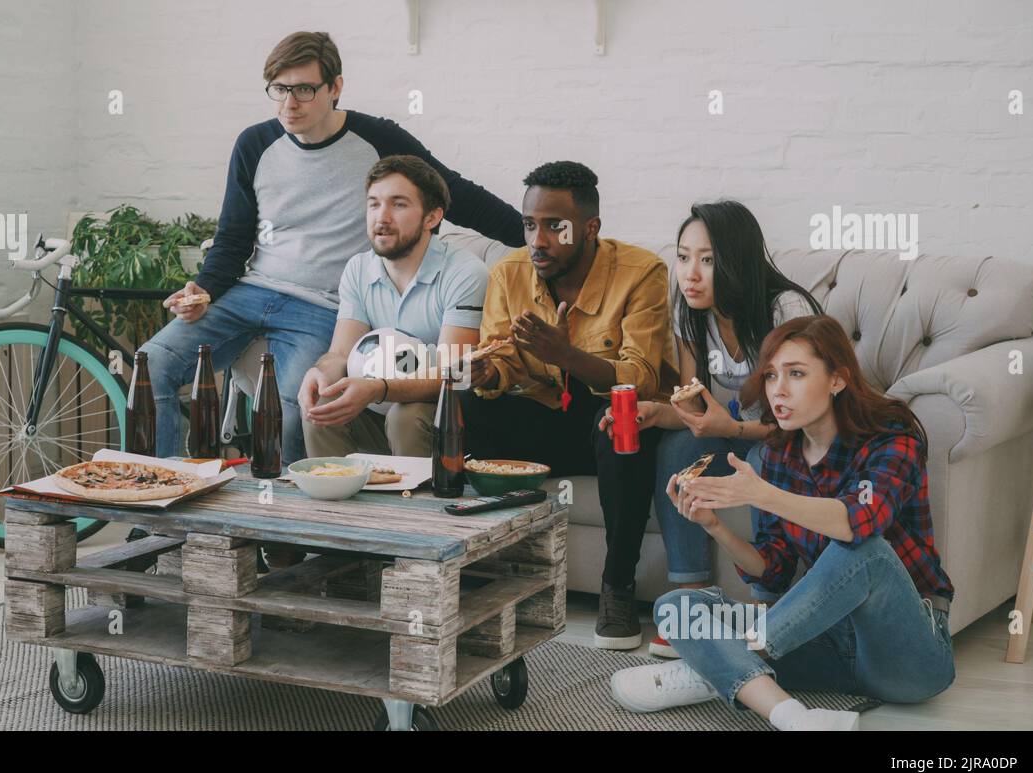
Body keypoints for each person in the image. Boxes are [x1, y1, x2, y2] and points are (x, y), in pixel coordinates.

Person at [139, 31, 524, 466]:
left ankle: (286, 529)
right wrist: (205, 287)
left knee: (294, 410)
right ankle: (158, 507)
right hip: (249, 292)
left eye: (304, 89)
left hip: (322, 305)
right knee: (149, 368)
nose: (290, 103)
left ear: (335, 87)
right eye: (279, 90)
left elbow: (452, 191)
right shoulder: (254, 145)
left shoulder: (376, 138)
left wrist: (533, 236)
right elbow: (233, 237)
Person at [610, 315, 956, 730]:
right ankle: (792, 717)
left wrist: (760, 494)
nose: (779, 390)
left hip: (905, 655)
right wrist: (713, 525)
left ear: (837, 380)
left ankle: (717, 666)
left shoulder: (891, 436)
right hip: (823, 643)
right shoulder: (779, 455)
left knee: (865, 551)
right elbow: (773, 568)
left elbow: (858, 523)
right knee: (677, 607)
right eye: (771, 375)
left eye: (796, 374)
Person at [461, 160, 676, 651]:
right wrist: (489, 372)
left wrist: (565, 355)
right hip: (546, 418)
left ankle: (617, 587)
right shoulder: (509, 272)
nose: (538, 240)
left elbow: (639, 378)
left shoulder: (642, 273)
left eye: (554, 227)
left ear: (590, 227)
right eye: (529, 225)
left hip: (606, 418)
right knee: (471, 405)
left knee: (621, 422)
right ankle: (479, 572)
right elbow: (505, 359)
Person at [602, 201, 821, 659]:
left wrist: (735, 429)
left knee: (763, 461)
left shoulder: (785, 308)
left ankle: (769, 602)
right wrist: (655, 413)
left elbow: (803, 419)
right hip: (736, 429)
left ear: (735, 261)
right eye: (683, 257)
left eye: (707, 260)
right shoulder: (689, 312)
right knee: (678, 446)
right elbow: (694, 404)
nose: (690, 274)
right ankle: (693, 598)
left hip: (791, 439)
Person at [300, 155, 487, 459]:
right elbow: (340, 355)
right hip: (377, 406)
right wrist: (319, 373)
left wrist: (379, 389)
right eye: (374, 204)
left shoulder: (465, 272)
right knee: (324, 409)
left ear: (432, 217)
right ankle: (338, 501)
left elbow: (454, 374)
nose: (381, 218)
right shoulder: (359, 268)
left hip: (446, 418)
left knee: (406, 417)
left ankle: (419, 505)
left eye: (398, 204)